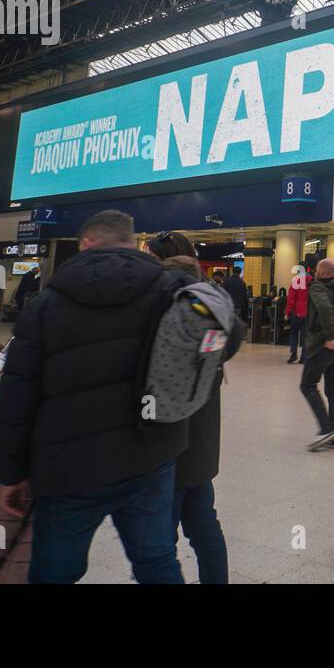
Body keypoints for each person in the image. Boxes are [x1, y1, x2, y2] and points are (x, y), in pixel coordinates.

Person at [0, 210, 192, 585]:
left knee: (54, 571)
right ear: (133, 242)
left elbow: (16, 396)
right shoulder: (168, 292)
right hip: (149, 457)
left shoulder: (45, 305)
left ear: (85, 244)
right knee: (157, 562)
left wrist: (11, 473)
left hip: (69, 466)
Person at [143, 232, 231, 586]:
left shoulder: (162, 300)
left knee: (160, 536)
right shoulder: (213, 298)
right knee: (204, 524)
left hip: (166, 434)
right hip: (202, 430)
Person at [300, 257, 334, 451]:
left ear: (321, 272)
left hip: (324, 345)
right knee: (333, 390)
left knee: (307, 385)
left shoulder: (318, 287)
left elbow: (324, 308)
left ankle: (326, 429)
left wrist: (329, 337)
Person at [285, 263, 311, 365]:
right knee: (305, 335)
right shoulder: (311, 280)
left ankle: (293, 353)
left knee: (293, 333)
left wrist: (287, 312)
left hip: (296, 313)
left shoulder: (296, 280)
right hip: (308, 313)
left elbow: (291, 298)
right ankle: (304, 357)